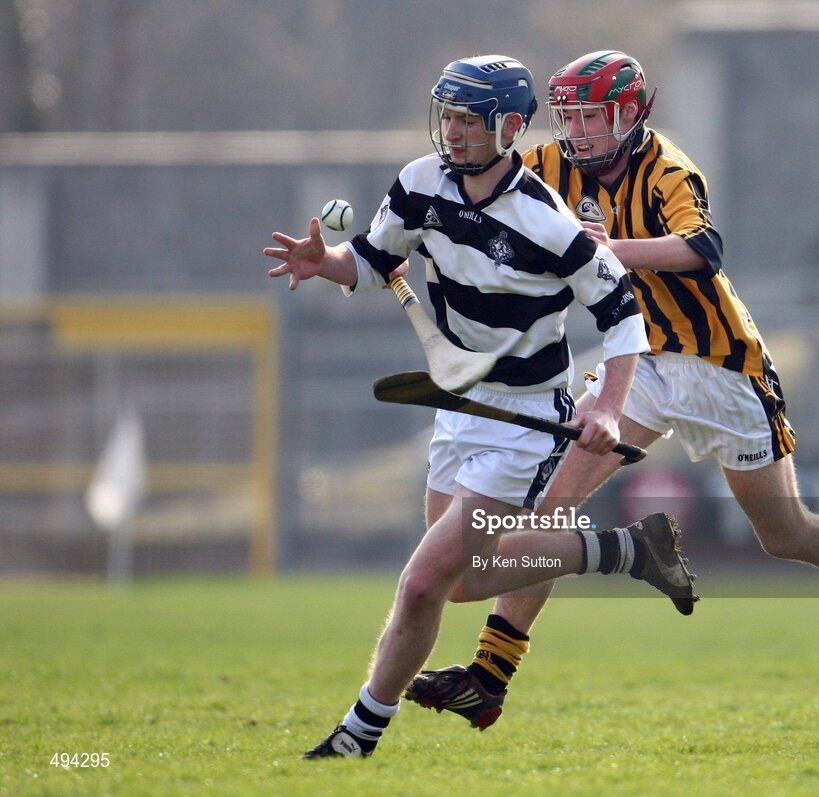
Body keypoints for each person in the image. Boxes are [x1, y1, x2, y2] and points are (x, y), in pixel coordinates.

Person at [405, 50, 819, 728]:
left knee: (786, 532)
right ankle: (491, 675)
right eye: (570, 116)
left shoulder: (666, 168)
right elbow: (486, 188)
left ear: (630, 112)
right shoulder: (552, 166)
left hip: (721, 369)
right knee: (549, 510)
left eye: (592, 116)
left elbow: (704, 248)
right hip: (637, 364)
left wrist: (609, 249)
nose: (578, 131)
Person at [264, 55, 698, 759]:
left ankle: (357, 734)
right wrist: (330, 262)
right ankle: (622, 550)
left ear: (510, 127)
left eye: (471, 120)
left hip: (524, 425)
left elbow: (623, 317)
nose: (455, 132)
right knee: (461, 581)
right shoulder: (419, 183)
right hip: (459, 408)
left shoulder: (546, 223)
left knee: (422, 582)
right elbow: (376, 260)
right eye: (450, 116)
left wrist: (610, 409)